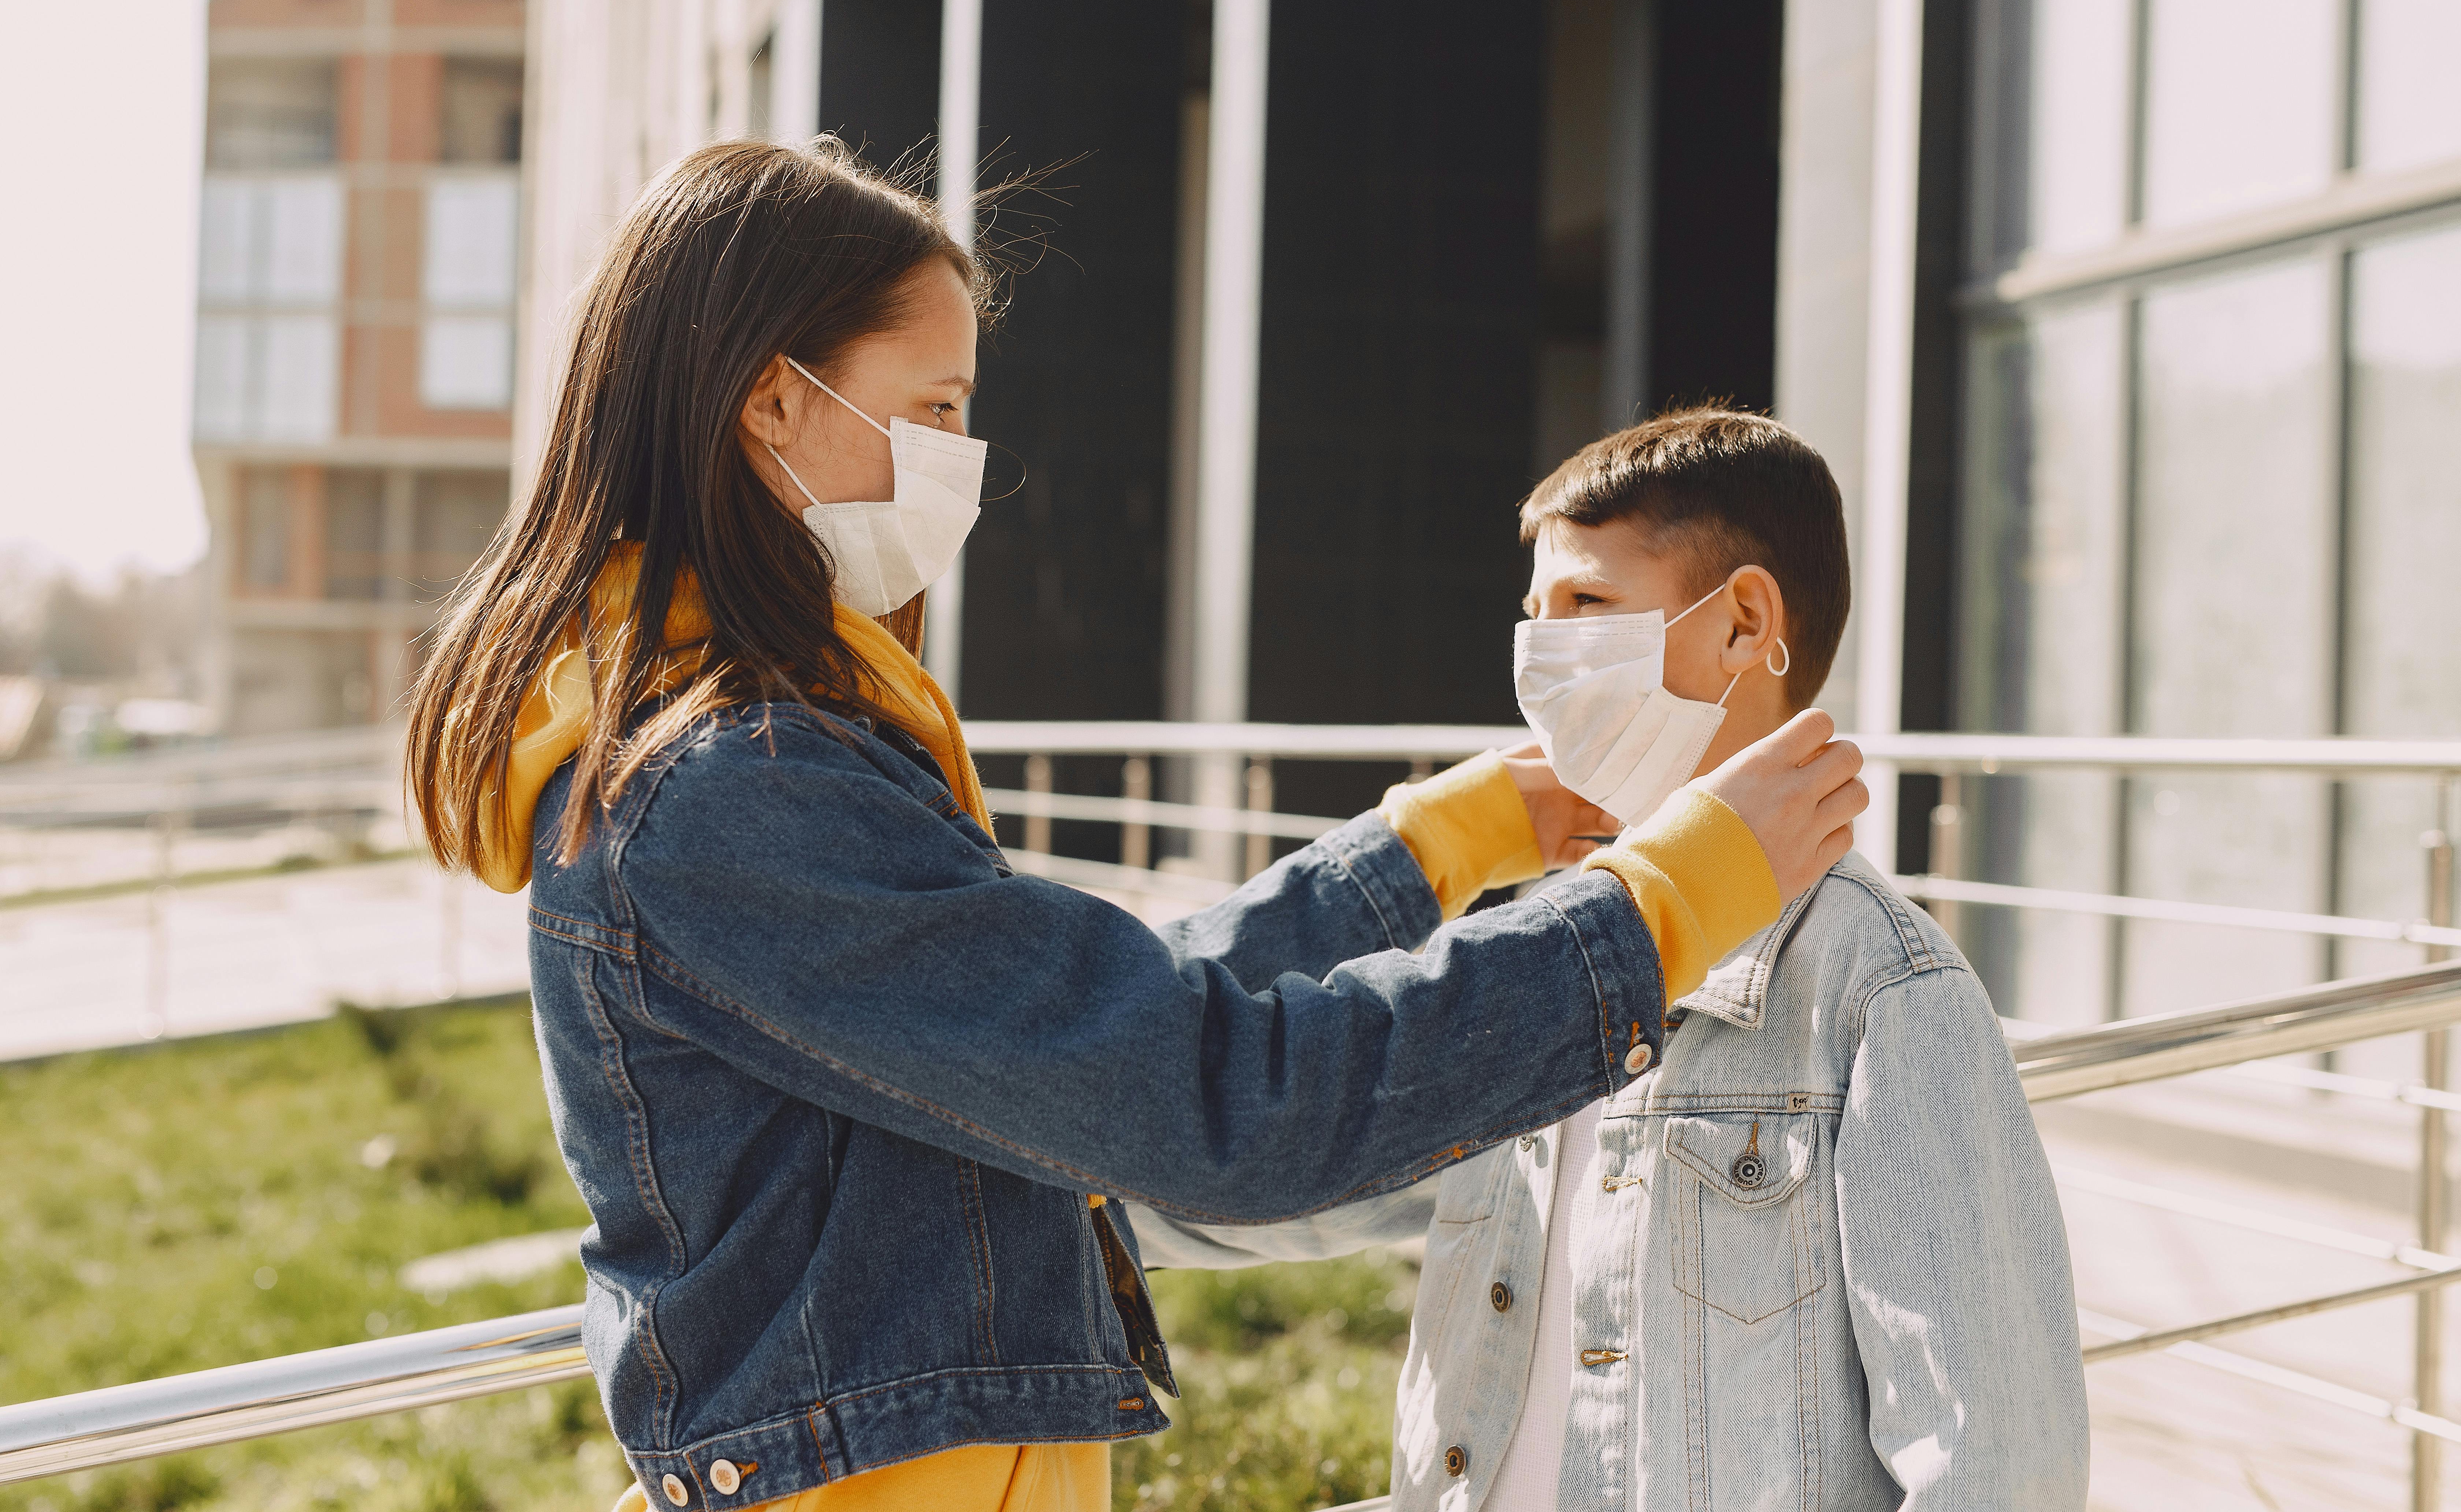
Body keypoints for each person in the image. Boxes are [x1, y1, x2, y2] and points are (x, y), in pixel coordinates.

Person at [402, 142, 1868, 1512]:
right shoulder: (731, 795)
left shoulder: (762, 752)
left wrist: (1443, 845)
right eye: (934, 409)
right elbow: (1213, 1101)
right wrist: (1663, 902)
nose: (962, 459)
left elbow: (1092, 1021)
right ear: (772, 399)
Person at [1133, 410, 2089, 1509]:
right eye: (1535, 615)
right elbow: (1235, 1181)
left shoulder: (1878, 989)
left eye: (1586, 605)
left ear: (1744, 624)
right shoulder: (1531, 960)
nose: (1543, 654)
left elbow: (1998, 1469)